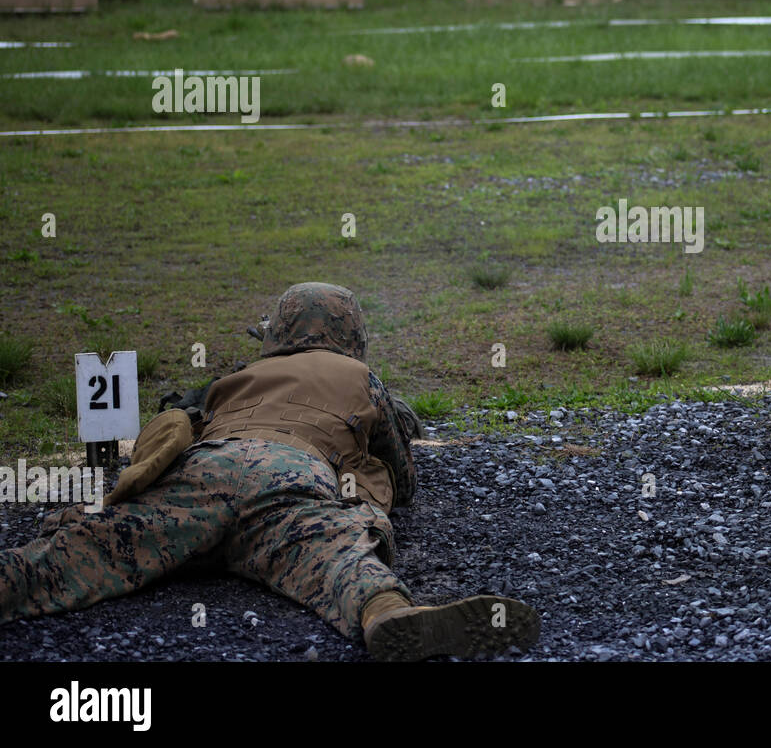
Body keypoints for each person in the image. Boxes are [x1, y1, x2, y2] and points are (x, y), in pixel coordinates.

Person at [0, 282, 539, 660]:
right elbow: (404, 479)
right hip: (295, 476)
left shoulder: (241, 376)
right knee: (337, 552)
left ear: (278, 331)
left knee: (93, 542)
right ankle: (386, 612)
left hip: (208, 469)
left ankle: (15, 580)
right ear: (349, 332)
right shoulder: (360, 375)